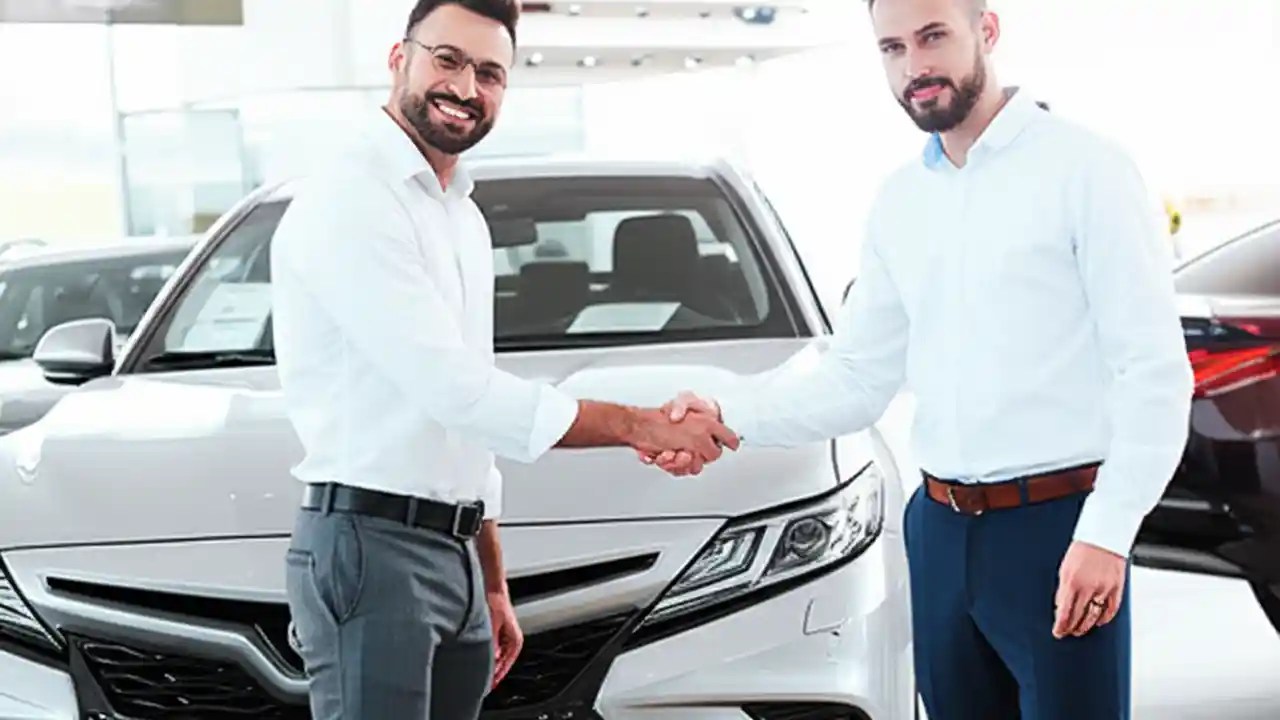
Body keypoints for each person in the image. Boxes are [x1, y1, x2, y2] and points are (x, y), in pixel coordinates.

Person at [642, 0, 1193, 717]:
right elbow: (857, 375)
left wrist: (1108, 533)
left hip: (1058, 530)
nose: (915, 66)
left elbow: (1153, 372)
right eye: (893, 47)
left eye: (933, 38)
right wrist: (727, 414)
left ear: (986, 32)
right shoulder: (901, 201)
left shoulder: (1086, 170)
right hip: (938, 532)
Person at [269, 1, 738, 717]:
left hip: (450, 552)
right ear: (400, 60)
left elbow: (468, 419)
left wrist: (488, 577)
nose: (465, 87)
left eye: (490, 73)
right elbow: (454, 390)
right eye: (447, 60)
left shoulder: (461, 214)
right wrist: (639, 426)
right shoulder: (352, 199)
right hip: (370, 549)